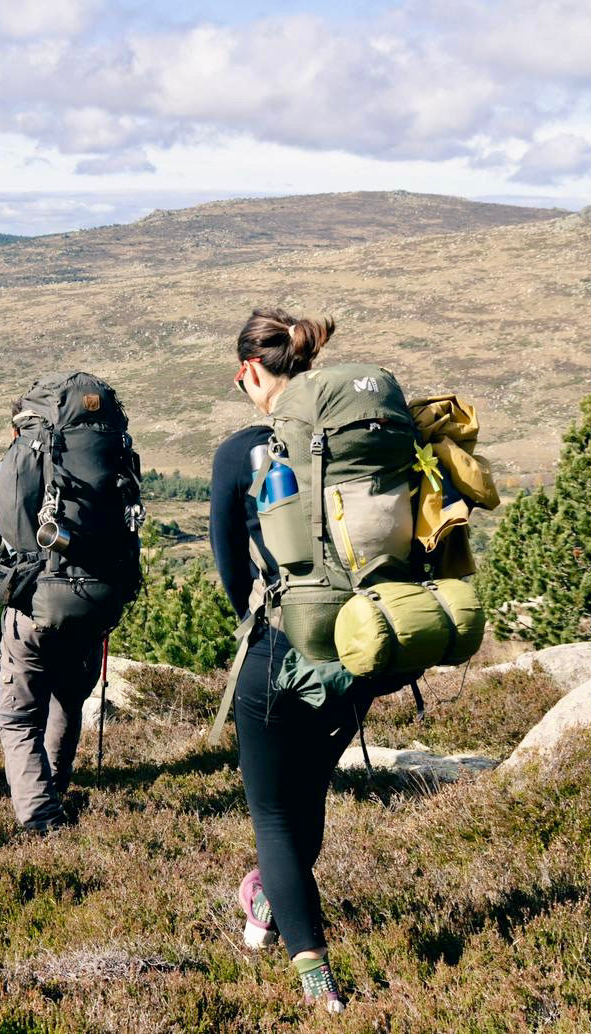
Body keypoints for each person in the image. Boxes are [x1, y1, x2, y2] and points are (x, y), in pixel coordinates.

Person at [211, 308, 371, 1013]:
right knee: (306, 803)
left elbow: (227, 568)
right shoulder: (349, 443)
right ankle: (270, 904)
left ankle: (316, 981)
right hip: (361, 649)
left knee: (274, 818)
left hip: (279, 648)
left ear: (251, 372)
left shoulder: (240, 451)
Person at [0, 399, 107, 834]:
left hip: (31, 610)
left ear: (17, 430)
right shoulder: (96, 464)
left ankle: (43, 824)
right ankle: (53, 793)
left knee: (18, 717)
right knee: (67, 700)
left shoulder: (6, 470)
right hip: (91, 609)